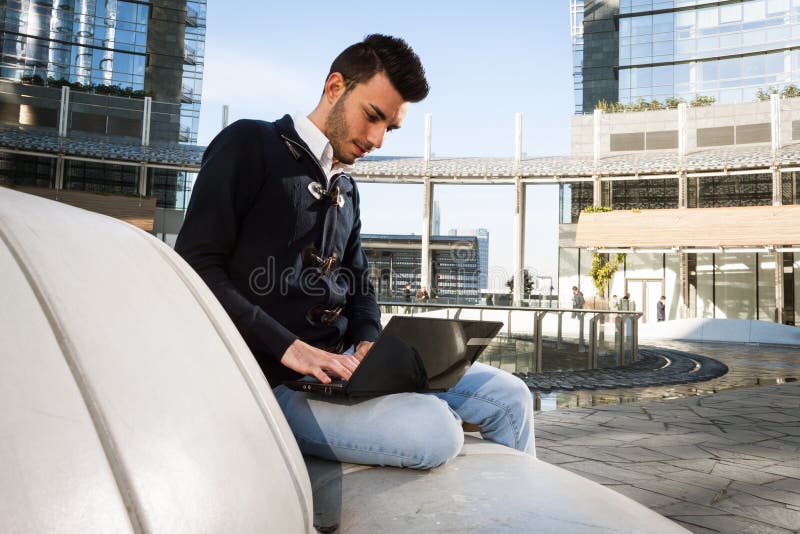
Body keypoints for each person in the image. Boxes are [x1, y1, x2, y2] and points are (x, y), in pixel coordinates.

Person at [175, 34, 533, 470]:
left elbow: (360, 287)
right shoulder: (249, 143)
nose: (379, 140)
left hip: (345, 369)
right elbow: (195, 265)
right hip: (276, 380)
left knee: (512, 398)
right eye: (373, 116)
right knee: (434, 429)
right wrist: (290, 346)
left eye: (390, 127)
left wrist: (367, 341)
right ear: (335, 88)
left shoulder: (346, 186)